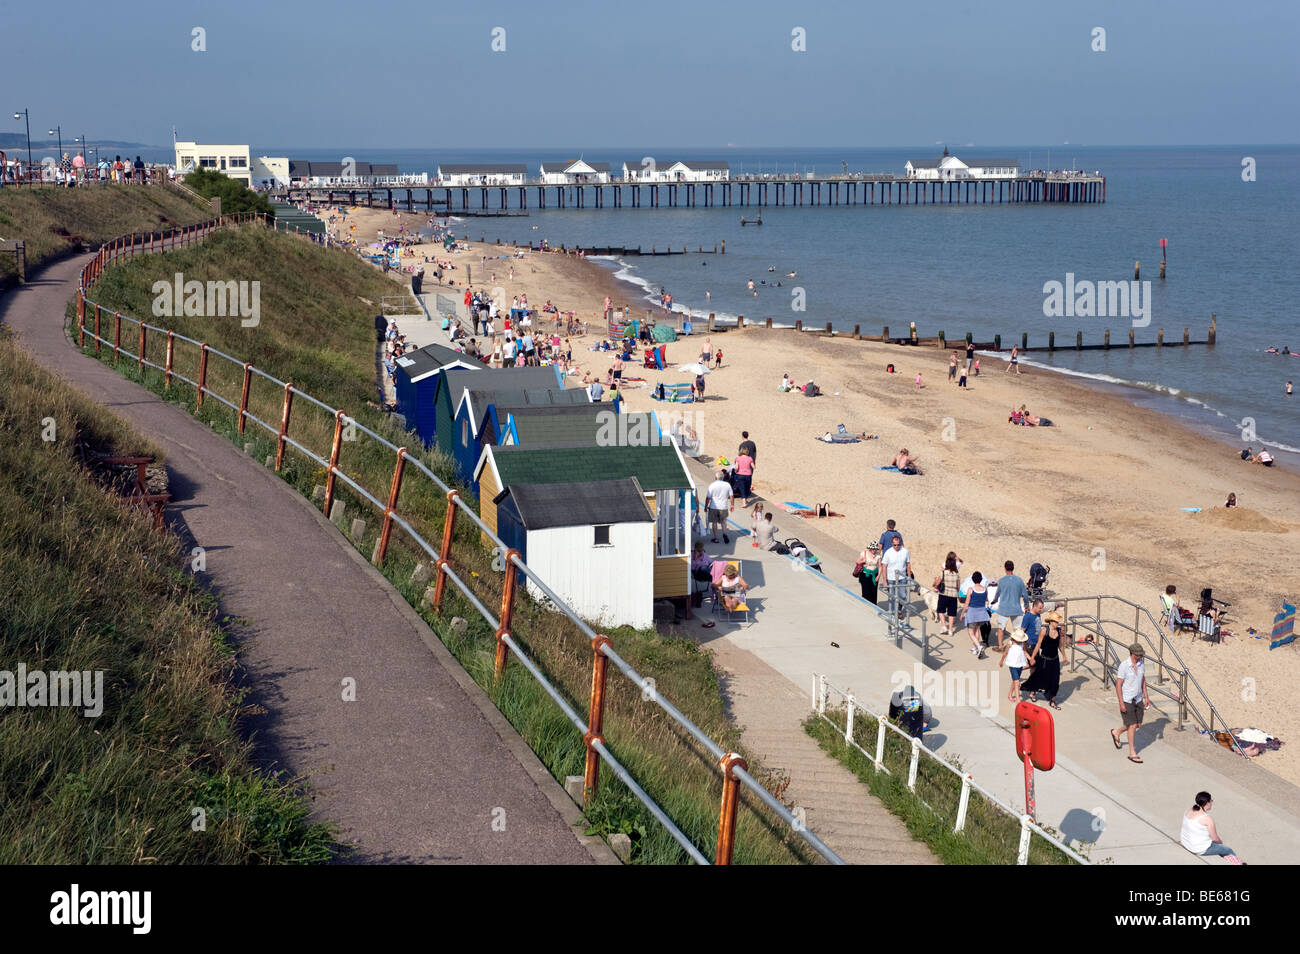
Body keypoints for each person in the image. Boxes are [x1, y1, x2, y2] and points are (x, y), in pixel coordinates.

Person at [1111, 643, 1150, 764]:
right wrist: (1121, 702)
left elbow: (1143, 679)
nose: (1141, 656)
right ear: (1133, 654)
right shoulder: (1124, 665)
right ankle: (1132, 752)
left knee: (1137, 725)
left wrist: (1146, 696)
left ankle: (1116, 732)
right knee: (1132, 725)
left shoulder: (1141, 664)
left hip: (1138, 699)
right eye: (1139, 654)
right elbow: (1118, 684)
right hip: (1127, 699)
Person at [1180, 793, 1244, 864]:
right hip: (1197, 848)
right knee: (1228, 850)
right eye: (1211, 800)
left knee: (1219, 849)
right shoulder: (1207, 819)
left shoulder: (1190, 810)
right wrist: (1220, 844)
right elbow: (1215, 839)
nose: (1212, 802)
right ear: (1207, 803)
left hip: (1186, 842)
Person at [1022, 610, 1066, 708]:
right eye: (1055, 621)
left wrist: (1064, 656)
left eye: (1057, 622)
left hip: (1055, 660)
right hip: (1044, 659)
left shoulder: (1059, 631)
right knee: (1039, 677)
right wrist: (1032, 657)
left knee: (1055, 680)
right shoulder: (1044, 630)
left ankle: (1052, 700)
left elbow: (1060, 646)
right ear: (1050, 621)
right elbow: (1038, 645)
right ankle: (1033, 692)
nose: (1056, 623)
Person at [993, 561, 1028, 652]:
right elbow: (1025, 595)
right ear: (1013, 568)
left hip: (1004, 608)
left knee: (1001, 628)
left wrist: (994, 601)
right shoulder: (1019, 580)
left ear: (1005, 568)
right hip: (1016, 608)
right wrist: (1027, 605)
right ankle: (1016, 647)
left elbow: (997, 594)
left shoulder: (1001, 581)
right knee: (1017, 629)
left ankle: (1000, 646)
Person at [961, 572, 991, 659]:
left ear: (973, 580)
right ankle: (975, 648)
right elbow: (986, 599)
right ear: (981, 579)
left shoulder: (971, 589)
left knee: (971, 632)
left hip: (972, 613)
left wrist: (962, 613)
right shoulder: (985, 589)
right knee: (977, 630)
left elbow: (966, 603)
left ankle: (979, 646)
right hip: (982, 613)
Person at [933, 553, 961, 636]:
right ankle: (950, 630)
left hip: (944, 594)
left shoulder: (943, 572)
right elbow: (958, 586)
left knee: (940, 610)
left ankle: (944, 626)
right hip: (953, 595)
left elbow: (937, 582)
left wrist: (935, 586)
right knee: (951, 613)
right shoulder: (957, 574)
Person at [1000, 629, 1031, 702]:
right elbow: (1005, 653)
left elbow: (1025, 652)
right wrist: (1001, 661)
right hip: (1012, 664)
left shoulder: (1022, 644)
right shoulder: (1010, 643)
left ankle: (1010, 694)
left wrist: (1030, 659)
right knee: (1017, 682)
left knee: (1015, 681)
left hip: (1020, 664)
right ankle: (1018, 700)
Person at [880, 534, 911, 607]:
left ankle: (899, 610)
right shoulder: (888, 552)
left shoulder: (905, 551)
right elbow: (884, 566)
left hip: (902, 578)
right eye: (895, 545)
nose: (897, 546)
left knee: (903, 596)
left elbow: (908, 564)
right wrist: (884, 580)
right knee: (892, 597)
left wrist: (909, 576)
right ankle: (894, 613)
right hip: (891, 578)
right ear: (892, 544)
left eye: (898, 545)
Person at [706, 469, 734, 544]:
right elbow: (731, 496)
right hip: (723, 506)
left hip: (713, 507)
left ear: (715, 478)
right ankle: (724, 534)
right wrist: (732, 505)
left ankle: (716, 538)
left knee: (714, 523)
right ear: (723, 477)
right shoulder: (727, 485)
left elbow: (708, 498)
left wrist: (705, 507)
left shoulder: (712, 485)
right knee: (723, 522)